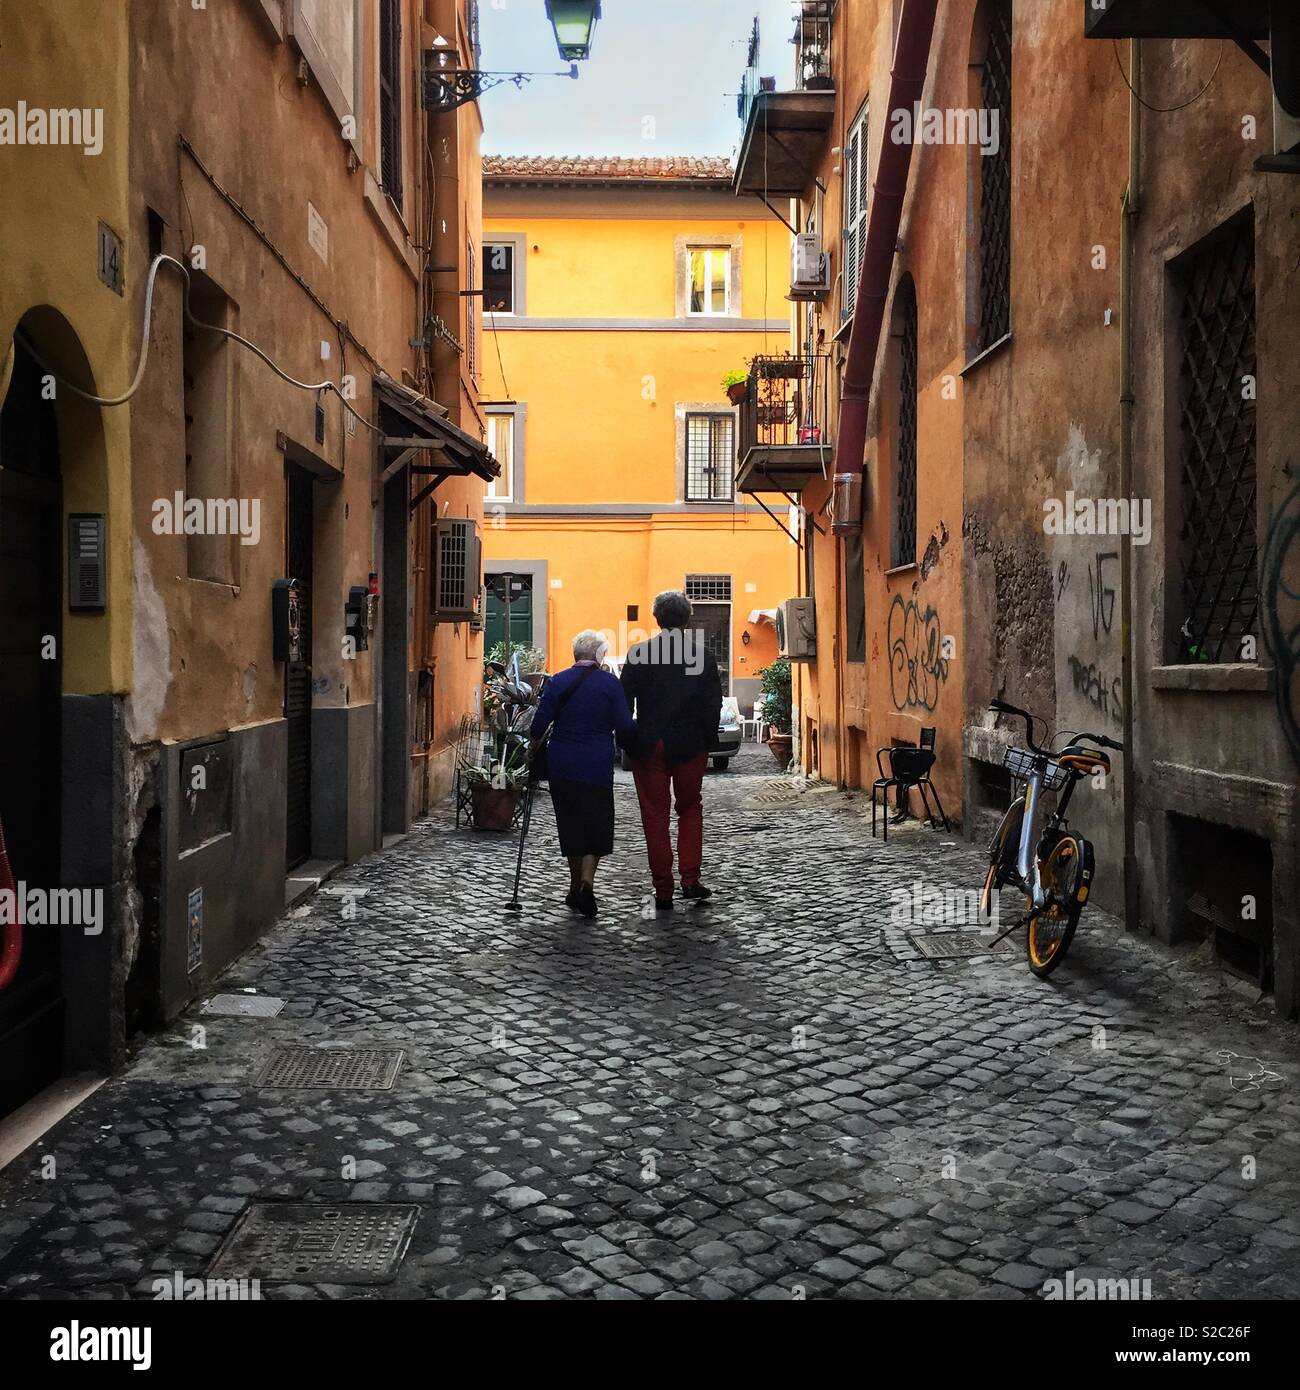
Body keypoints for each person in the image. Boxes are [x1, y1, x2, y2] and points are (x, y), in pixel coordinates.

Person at [620, 590, 722, 912]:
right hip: (690, 745)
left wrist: (629, 741)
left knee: (655, 816)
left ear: (657, 618)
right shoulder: (702, 656)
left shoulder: (638, 654)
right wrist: (708, 742)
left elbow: (625, 706)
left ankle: (663, 889)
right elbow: (712, 705)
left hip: (650, 745)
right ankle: (690, 879)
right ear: (687, 618)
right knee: (690, 809)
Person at [529, 629, 634, 919]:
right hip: (597, 766)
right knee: (596, 825)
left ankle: (575, 886)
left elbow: (537, 727)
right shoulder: (610, 684)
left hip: (562, 765)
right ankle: (587, 882)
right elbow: (624, 724)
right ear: (600, 656)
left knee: (571, 825)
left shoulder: (557, 682)